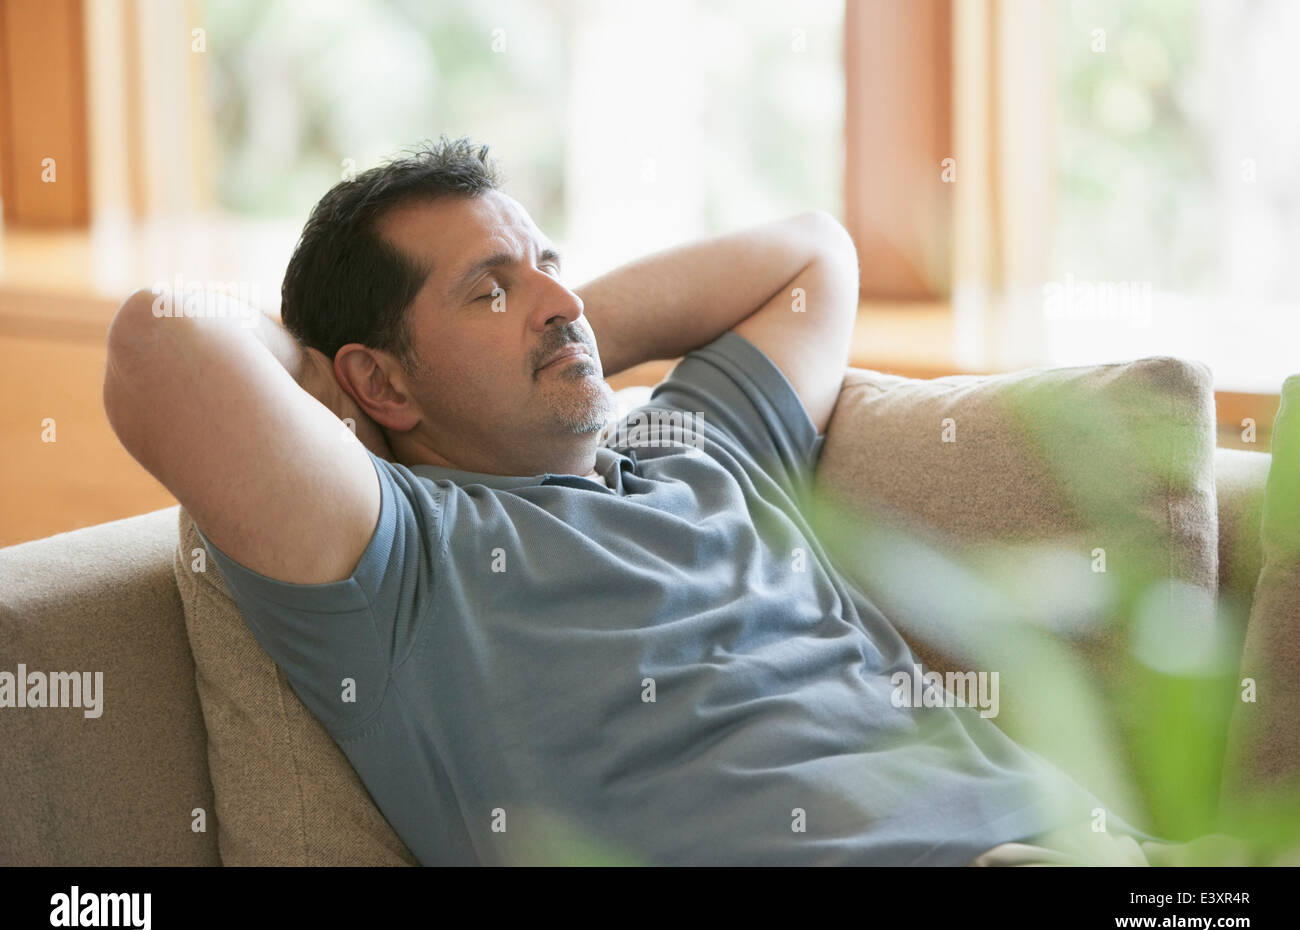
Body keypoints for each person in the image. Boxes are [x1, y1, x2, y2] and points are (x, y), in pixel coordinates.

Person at [103, 136, 1204, 865]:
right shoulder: (404, 554)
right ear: (380, 381)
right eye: (490, 287)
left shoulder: (695, 445)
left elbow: (814, 252)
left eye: (549, 263)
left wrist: (559, 336)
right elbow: (162, 344)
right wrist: (340, 392)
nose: (559, 298)